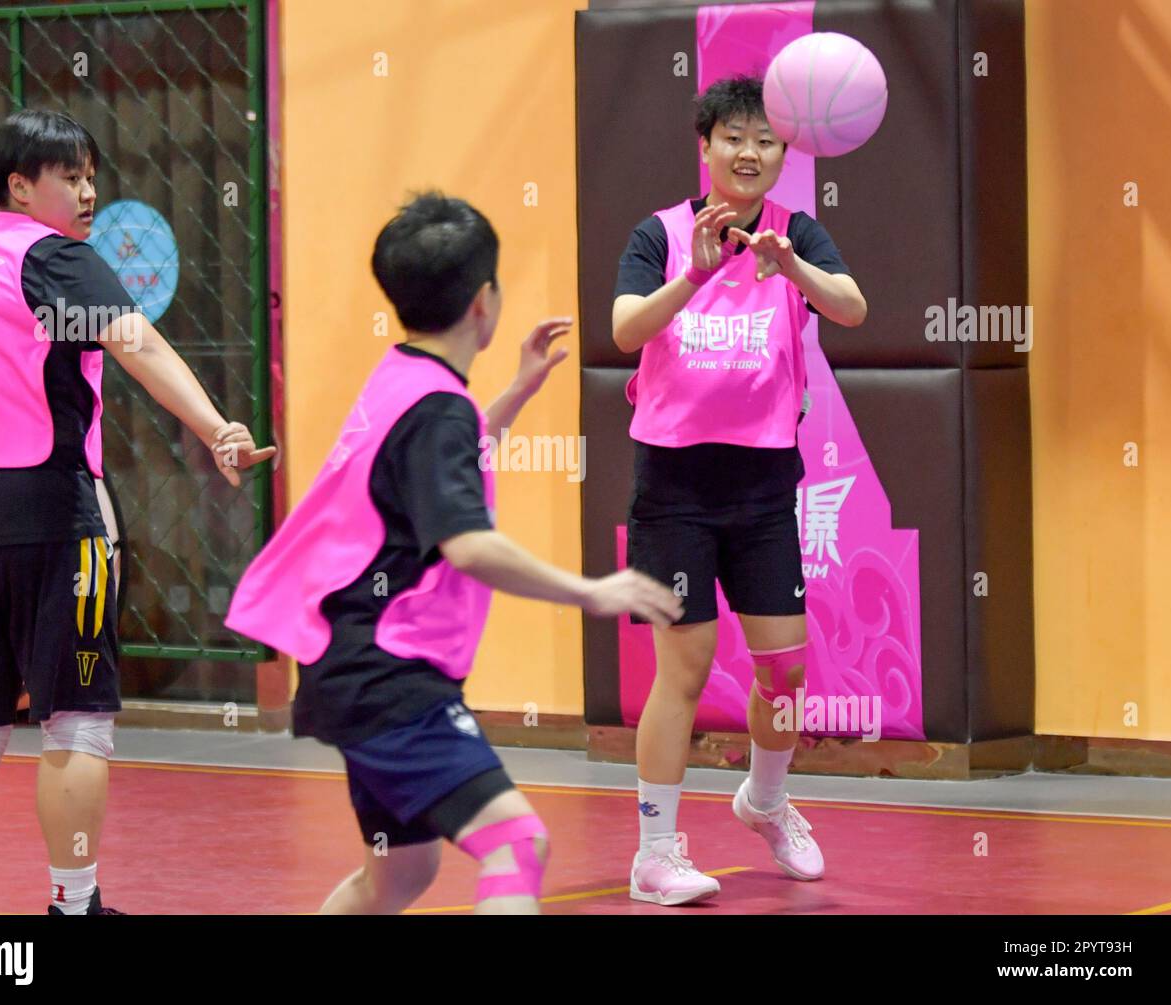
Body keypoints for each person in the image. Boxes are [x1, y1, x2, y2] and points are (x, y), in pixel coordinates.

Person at [226, 192, 683, 915]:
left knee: (400, 873)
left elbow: (441, 460)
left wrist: (517, 392)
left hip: (346, 665)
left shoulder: (404, 379)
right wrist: (592, 591)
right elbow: (466, 543)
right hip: (388, 675)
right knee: (517, 843)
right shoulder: (436, 406)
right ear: (484, 302)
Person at [0, 108, 275, 915]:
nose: (89, 191)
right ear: (20, 186)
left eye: (92, 174)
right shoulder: (55, 260)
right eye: (70, 176)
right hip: (49, 517)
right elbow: (138, 343)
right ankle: (74, 904)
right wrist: (218, 431)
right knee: (76, 718)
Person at [612, 76, 868, 905]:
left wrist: (793, 270)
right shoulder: (657, 233)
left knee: (785, 671)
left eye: (765, 140)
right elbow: (624, 330)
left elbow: (854, 308)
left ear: (784, 153)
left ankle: (764, 800)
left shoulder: (798, 234)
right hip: (675, 482)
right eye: (733, 136)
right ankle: (655, 853)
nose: (749, 151)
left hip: (762, 483)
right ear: (706, 145)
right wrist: (693, 275)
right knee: (681, 670)